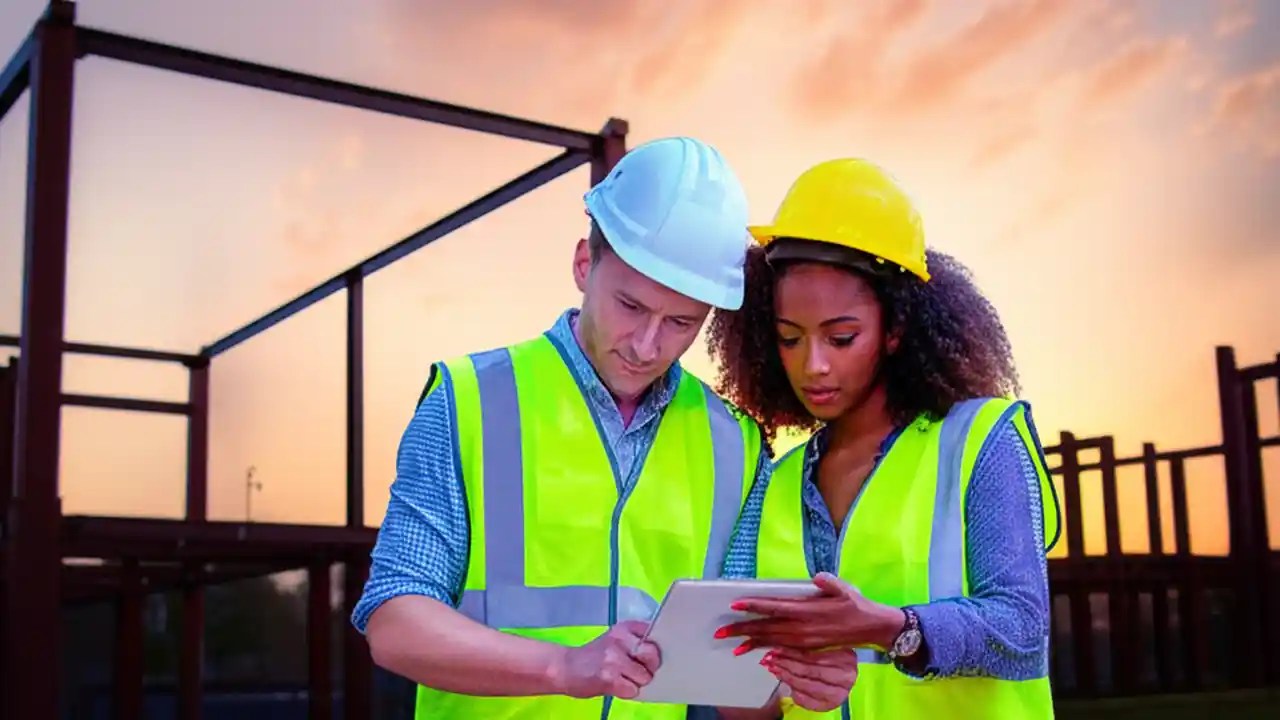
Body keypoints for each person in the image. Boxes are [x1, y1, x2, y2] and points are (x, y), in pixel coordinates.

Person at [350, 137, 859, 719]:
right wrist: (562, 668)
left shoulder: (735, 443)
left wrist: (794, 683)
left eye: (680, 323)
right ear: (583, 264)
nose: (647, 345)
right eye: (631, 306)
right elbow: (393, 621)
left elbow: (733, 693)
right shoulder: (468, 400)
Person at [703, 158, 1062, 719]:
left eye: (841, 338)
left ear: (896, 329)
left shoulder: (979, 442)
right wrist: (760, 683)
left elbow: (1021, 630)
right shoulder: (772, 484)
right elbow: (748, 700)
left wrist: (890, 629)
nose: (813, 365)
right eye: (790, 339)